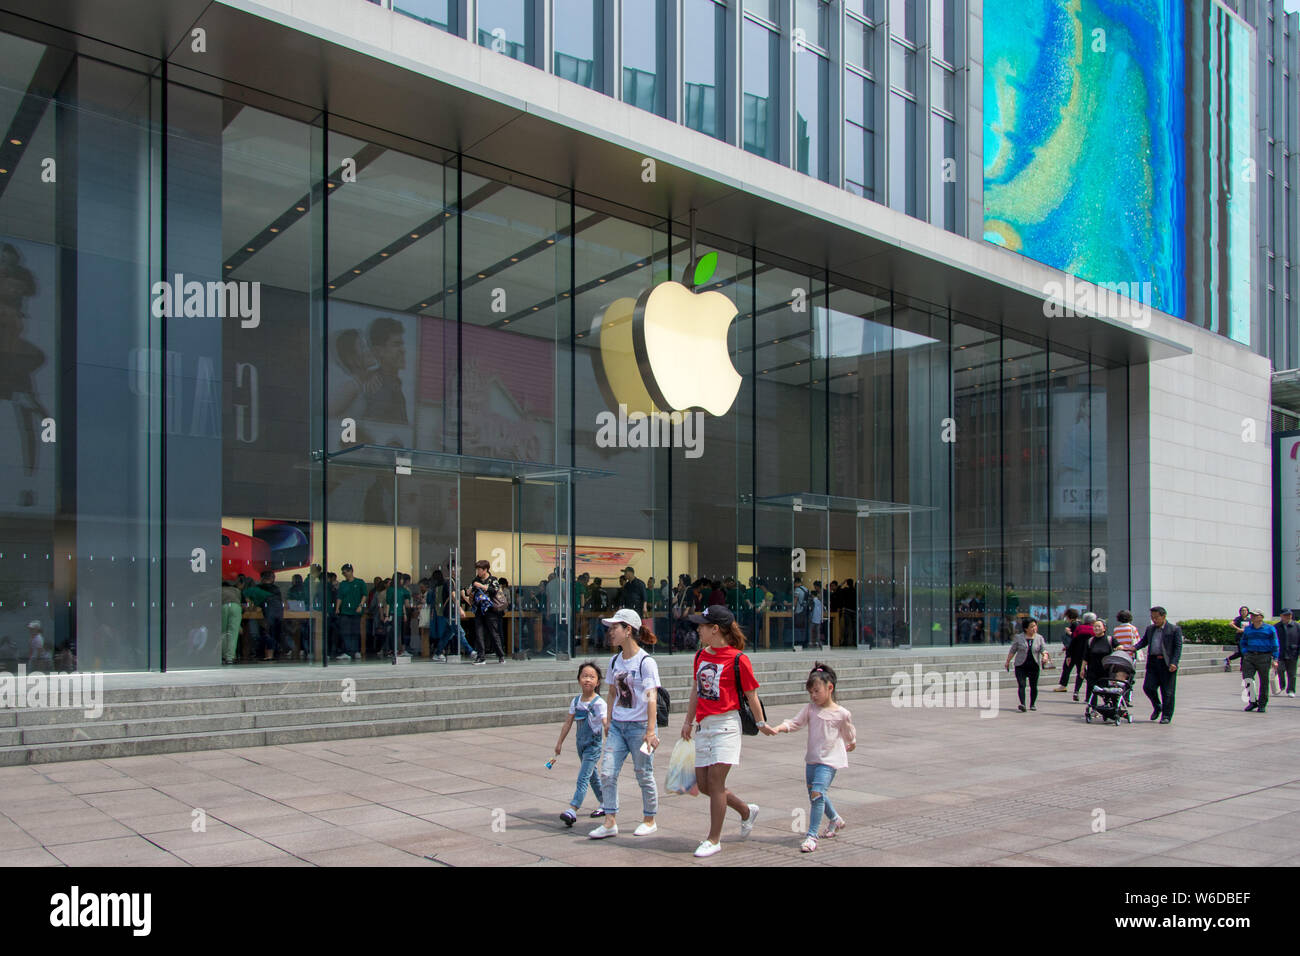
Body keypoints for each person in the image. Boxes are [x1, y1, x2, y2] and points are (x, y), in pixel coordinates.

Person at [680, 604, 766, 858]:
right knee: (704, 784)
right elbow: (696, 690)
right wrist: (687, 720)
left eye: (702, 626)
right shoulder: (700, 656)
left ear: (715, 629)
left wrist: (762, 724)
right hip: (704, 726)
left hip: (726, 725)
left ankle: (713, 839)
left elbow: (752, 696)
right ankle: (746, 811)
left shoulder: (738, 659)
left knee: (716, 783)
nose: (698, 630)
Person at [764, 662, 856, 853]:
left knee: (817, 794)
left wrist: (852, 742)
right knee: (815, 793)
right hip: (812, 760)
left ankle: (812, 836)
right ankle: (835, 819)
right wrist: (779, 728)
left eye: (816, 691)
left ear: (830, 688)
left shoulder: (842, 714)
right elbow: (795, 723)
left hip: (829, 762)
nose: (813, 696)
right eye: (811, 692)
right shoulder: (810, 709)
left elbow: (849, 732)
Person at [590, 609, 660, 840]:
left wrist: (650, 730)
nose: (611, 632)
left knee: (643, 773)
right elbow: (611, 693)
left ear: (628, 630)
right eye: (610, 628)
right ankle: (610, 821)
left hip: (640, 728)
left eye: (615, 628)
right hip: (618, 727)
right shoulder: (614, 660)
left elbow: (652, 697)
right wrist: (609, 720)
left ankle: (649, 819)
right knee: (607, 773)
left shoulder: (646, 662)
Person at [554, 661, 608, 827]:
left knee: (583, 777)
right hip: (581, 745)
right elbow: (568, 723)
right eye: (584, 676)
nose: (588, 680)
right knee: (591, 776)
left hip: (593, 746)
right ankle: (605, 802)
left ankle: (573, 808)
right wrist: (559, 743)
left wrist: (612, 742)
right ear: (578, 679)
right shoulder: (576, 701)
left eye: (592, 677)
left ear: (597, 682)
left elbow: (606, 723)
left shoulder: (600, 703)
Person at [1134, 606, 1183, 724]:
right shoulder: (1150, 629)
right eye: (1152, 617)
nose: (1154, 620)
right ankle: (1157, 706)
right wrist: (1133, 648)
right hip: (1153, 663)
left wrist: (1174, 662)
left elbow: (1178, 647)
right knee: (1148, 687)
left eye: (1156, 617)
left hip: (1167, 664)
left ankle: (1166, 715)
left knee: (1167, 692)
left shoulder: (1174, 629)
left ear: (1163, 616)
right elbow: (1143, 642)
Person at [1004, 617, 1051, 711]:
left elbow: (1043, 649)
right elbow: (1012, 650)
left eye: (1035, 626)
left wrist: (1045, 656)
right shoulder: (1018, 637)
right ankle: (1023, 704)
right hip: (1021, 665)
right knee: (1021, 685)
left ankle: (1032, 704)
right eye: (1031, 626)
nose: (1034, 628)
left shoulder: (1039, 638)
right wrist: (1008, 661)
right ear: (1026, 628)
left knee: (1033, 686)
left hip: (1034, 665)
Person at [465, 559, 505, 665]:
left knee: (493, 633)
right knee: (479, 633)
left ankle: (501, 655)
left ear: (485, 569)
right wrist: (468, 591)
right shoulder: (475, 580)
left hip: (491, 611)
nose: (478, 572)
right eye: (477, 569)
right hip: (479, 610)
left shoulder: (493, 579)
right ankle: (481, 657)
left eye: (479, 569)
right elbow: (469, 590)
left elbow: (494, 590)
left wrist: (482, 586)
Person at [1239, 610, 1279, 713]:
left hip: (1264, 657)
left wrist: (1275, 659)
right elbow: (1243, 642)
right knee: (1247, 679)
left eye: (1255, 615)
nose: (1252, 617)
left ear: (1261, 617)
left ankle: (1262, 704)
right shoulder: (1248, 629)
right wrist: (1245, 652)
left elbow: (1275, 644)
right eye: (1251, 615)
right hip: (1250, 656)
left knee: (1264, 681)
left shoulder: (1270, 629)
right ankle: (1253, 701)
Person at [1081, 618, 1117, 707]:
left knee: (1107, 691)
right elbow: (1085, 656)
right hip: (1092, 670)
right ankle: (1093, 709)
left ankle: (1110, 708)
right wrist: (1082, 669)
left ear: (1104, 628)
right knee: (1092, 690)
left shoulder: (1110, 639)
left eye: (1099, 626)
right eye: (1095, 626)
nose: (1096, 628)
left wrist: (1120, 647)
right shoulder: (1090, 641)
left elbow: (1119, 646)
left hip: (1106, 671)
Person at [334, 564, 366, 661]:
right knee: (345, 632)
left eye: (346, 572)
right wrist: (337, 608)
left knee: (355, 631)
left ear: (351, 571)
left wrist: (360, 605)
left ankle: (355, 650)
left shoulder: (360, 582)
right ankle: (348, 651)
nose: (345, 575)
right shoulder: (343, 584)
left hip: (356, 611)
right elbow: (340, 597)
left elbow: (364, 595)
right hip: (345, 611)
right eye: (343, 573)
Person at [1053, 607, 1081, 692]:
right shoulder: (1079, 623)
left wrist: (1069, 633)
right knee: (1079, 670)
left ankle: (1063, 685)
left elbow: (1076, 637)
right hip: (1077, 651)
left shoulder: (1075, 624)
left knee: (1067, 668)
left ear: (1069, 616)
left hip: (1073, 652)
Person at [1275, 609, 1300, 697]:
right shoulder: (1277, 626)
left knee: (1292, 673)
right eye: (1285, 615)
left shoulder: (1297, 626)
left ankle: (1291, 690)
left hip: (1293, 652)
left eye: (1289, 615)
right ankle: (1282, 686)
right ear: (1281, 616)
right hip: (1280, 653)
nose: (1288, 616)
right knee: (1280, 670)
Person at [220, 579, 243, 665]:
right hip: (236, 607)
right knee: (233, 633)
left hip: (223, 607)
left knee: (223, 632)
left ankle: (223, 656)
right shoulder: (236, 590)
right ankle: (230, 657)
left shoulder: (219, 590)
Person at [1225, 604, 1251, 671]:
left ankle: (1229, 658)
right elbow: (1231, 624)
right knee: (1242, 652)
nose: (1243, 612)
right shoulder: (1238, 619)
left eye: (1245, 610)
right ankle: (1242, 667)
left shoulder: (1249, 620)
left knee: (1242, 652)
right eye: (1242, 610)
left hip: (1247, 638)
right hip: (1240, 638)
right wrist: (1238, 629)